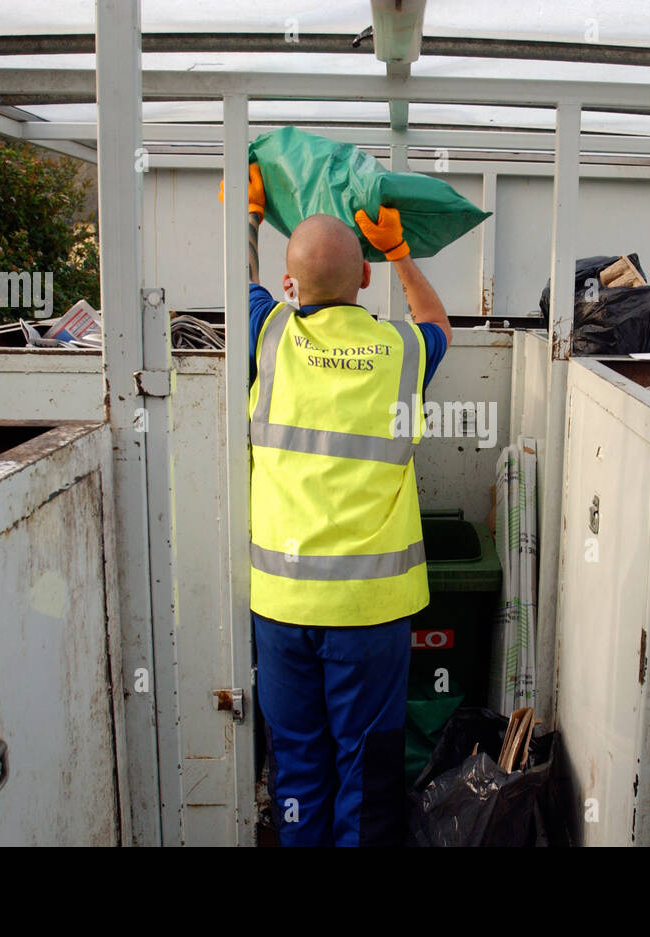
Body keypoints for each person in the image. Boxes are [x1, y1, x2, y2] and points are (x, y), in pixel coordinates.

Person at [242, 164, 451, 846]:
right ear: (364, 281)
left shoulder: (268, 338)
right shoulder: (399, 352)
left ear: (290, 284)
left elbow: (239, 285)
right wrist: (399, 254)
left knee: (298, 769)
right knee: (367, 774)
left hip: (282, 608)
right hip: (370, 612)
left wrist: (249, 217)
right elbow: (436, 318)